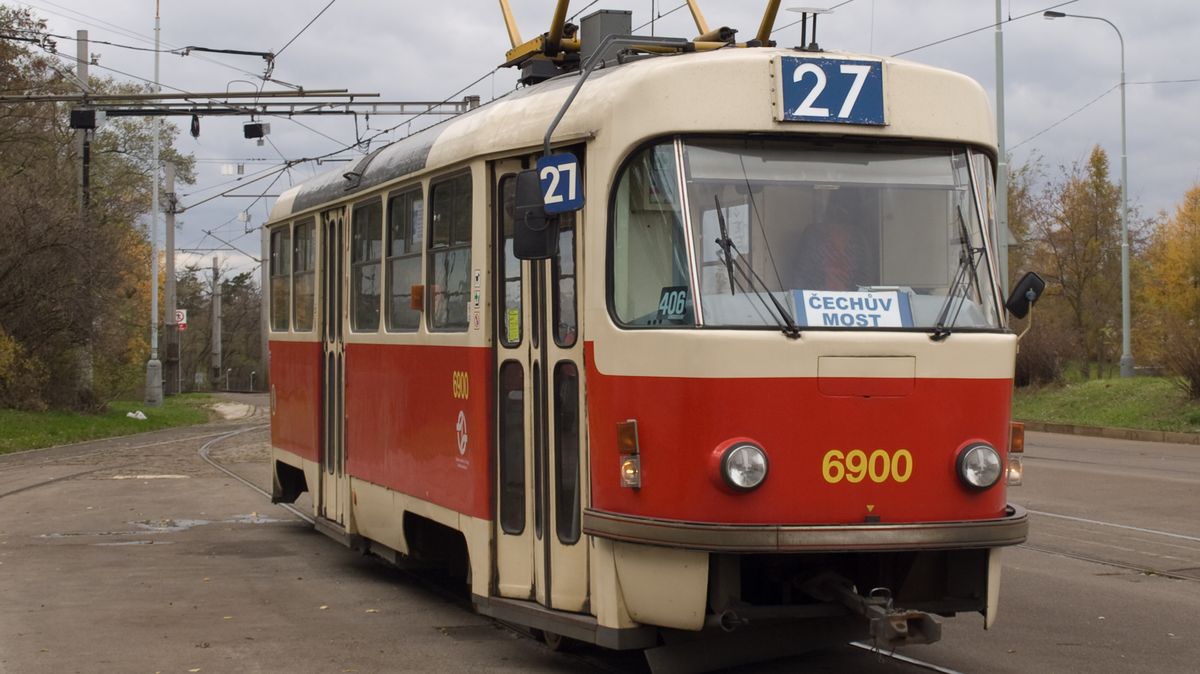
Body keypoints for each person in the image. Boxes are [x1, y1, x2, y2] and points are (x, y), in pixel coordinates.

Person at [795, 189, 874, 291]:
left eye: (848, 205)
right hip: (816, 301)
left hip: (852, 303)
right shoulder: (813, 235)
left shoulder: (859, 240)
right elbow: (800, 278)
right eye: (838, 204)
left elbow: (866, 282)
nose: (841, 210)